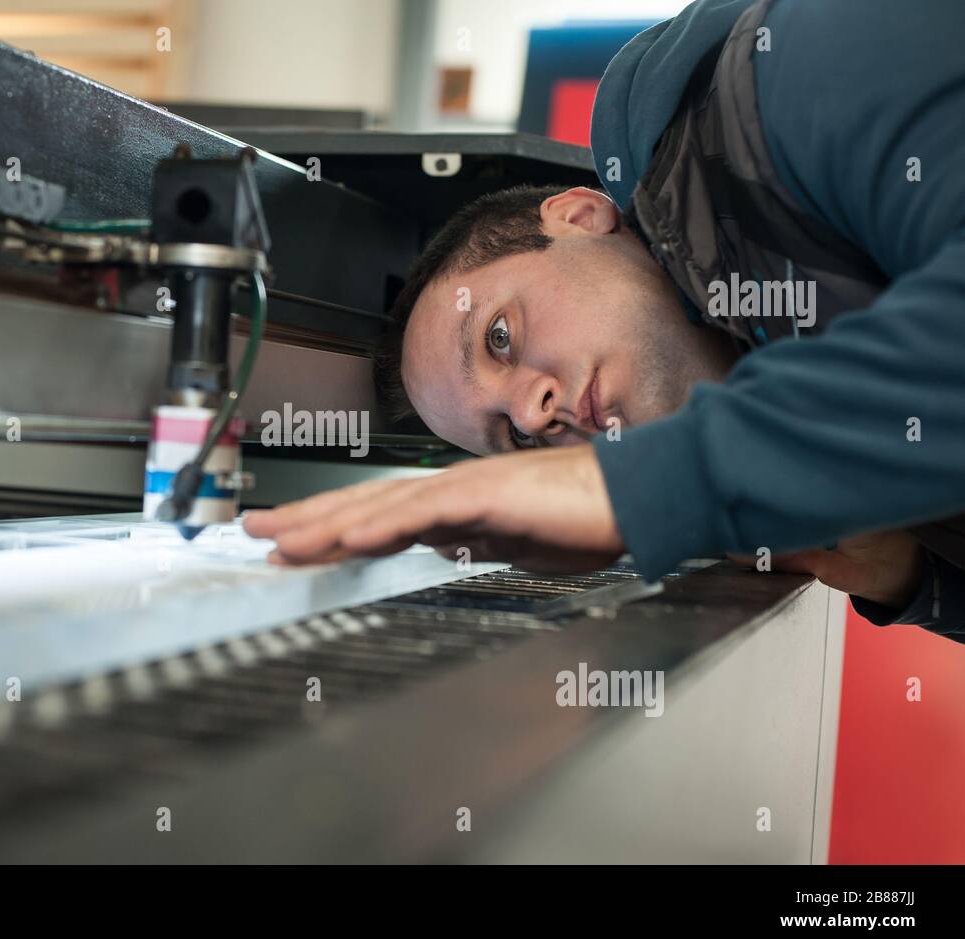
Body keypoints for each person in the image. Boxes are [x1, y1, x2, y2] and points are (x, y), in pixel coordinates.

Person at [244, 0, 965, 641]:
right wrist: (912, 578)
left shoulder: (798, 62)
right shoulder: (811, 438)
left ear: (579, 216)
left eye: (500, 337)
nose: (536, 409)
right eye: (514, 437)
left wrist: (639, 489)